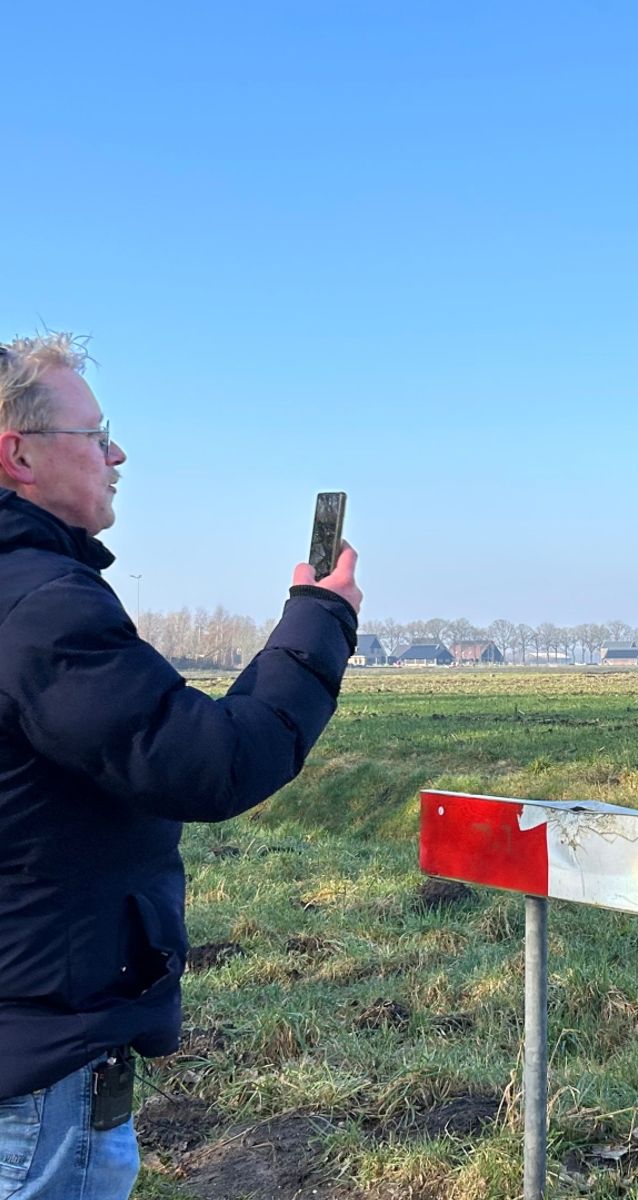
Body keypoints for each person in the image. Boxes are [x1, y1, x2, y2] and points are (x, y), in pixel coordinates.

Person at [0, 332, 361, 1198]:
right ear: (18, 455)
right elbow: (209, 763)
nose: (117, 453)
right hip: (40, 1069)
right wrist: (318, 617)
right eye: (96, 435)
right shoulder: (41, 606)